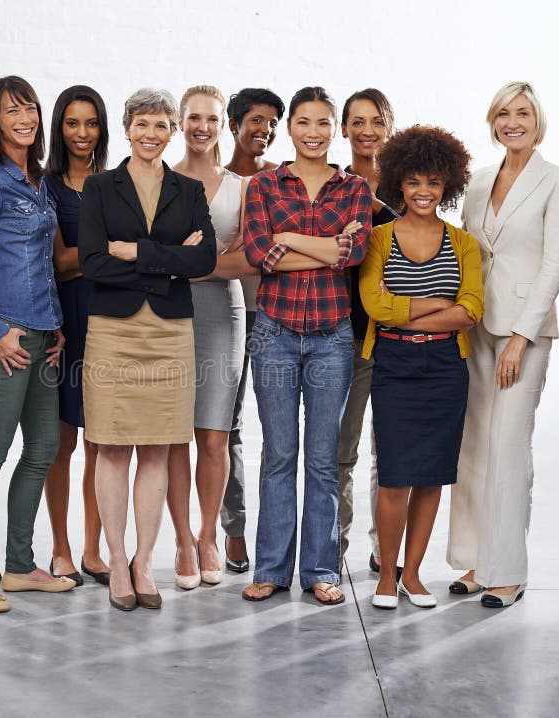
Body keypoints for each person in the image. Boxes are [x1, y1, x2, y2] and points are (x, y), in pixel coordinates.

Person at [78, 88, 216, 611]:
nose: (151, 134)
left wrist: (136, 252)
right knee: (112, 447)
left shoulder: (188, 188)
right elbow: (93, 262)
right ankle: (116, 561)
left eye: (162, 125)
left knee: (158, 448)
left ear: (172, 131)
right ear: (127, 127)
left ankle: (144, 561)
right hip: (114, 331)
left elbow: (203, 259)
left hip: (170, 334)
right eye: (142, 124)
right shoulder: (99, 187)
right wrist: (166, 260)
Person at [447, 82, 559, 608]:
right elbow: (465, 251)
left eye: (522, 113)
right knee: (474, 446)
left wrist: (522, 336)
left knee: (507, 446)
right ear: (492, 121)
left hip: (524, 332)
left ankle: (510, 571)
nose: (512, 122)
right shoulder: (478, 182)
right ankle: (478, 561)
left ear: (537, 119)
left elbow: (556, 262)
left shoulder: (557, 181)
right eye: (503, 113)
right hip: (476, 325)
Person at [241, 86, 371, 605]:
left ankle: (321, 569)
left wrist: (289, 239)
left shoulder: (354, 188)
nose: (313, 132)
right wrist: (321, 247)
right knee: (278, 455)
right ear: (290, 128)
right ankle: (270, 568)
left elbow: (354, 253)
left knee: (322, 459)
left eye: (323, 123)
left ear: (334, 130)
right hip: (274, 333)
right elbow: (257, 253)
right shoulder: (264, 185)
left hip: (331, 337)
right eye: (303, 122)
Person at [0, 76, 74, 613]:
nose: (24, 117)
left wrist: (59, 323)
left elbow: (45, 261)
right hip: (6, 336)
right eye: (11, 111)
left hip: (45, 335)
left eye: (29, 107)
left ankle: (22, 565)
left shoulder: (39, 181)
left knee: (44, 447)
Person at [360, 125, 483, 609]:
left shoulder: (463, 243)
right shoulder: (377, 238)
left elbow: (472, 308)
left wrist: (412, 306)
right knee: (393, 476)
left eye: (433, 182)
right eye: (413, 182)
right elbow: (374, 305)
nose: (424, 192)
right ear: (398, 185)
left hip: (445, 367)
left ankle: (413, 575)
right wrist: (436, 303)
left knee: (431, 475)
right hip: (393, 362)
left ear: (447, 184)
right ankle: (386, 577)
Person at [167, 85, 259, 589]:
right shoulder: (159, 180)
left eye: (211, 118)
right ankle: (182, 539)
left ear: (224, 124)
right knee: (175, 435)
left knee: (215, 434)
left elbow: (248, 260)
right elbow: (149, 257)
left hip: (225, 313)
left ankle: (207, 537)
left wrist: (188, 266)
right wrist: (204, 264)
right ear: (181, 121)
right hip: (167, 318)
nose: (202, 126)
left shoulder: (242, 187)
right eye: (193, 116)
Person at [42, 85, 110, 587]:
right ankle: (60, 548)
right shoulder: (45, 186)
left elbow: (79, 259)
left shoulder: (115, 183)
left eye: (90, 123)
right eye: (72, 123)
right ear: (59, 128)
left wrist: (93, 259)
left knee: (102, 444)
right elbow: (56, 261)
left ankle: (93, 549)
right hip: (64, 323)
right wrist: (109, 252)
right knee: (62, 441)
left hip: (111, 324)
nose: (82, 133)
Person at [220, 88, 285, 573]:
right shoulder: (214, 182)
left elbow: (275, 252)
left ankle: (278, 539)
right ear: (233, 123)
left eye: (273, 122)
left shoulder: (281, 181)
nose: (265, 129)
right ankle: (235, 530)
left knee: (280, 433)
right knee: (227, 426)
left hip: (275, 315)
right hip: (225, 314)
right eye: (257, 120)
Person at [336, 89, 399, 573]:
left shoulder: (409, 186)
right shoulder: (333, 184)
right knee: (342, 450)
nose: (366, 131)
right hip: (349, 333)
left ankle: (385, 550)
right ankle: (332, 549)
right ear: (344, 130)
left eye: (375, 121)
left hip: (399, 334)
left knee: (391, 451)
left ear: (389, 127)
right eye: (356, 122)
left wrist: (376, 205)